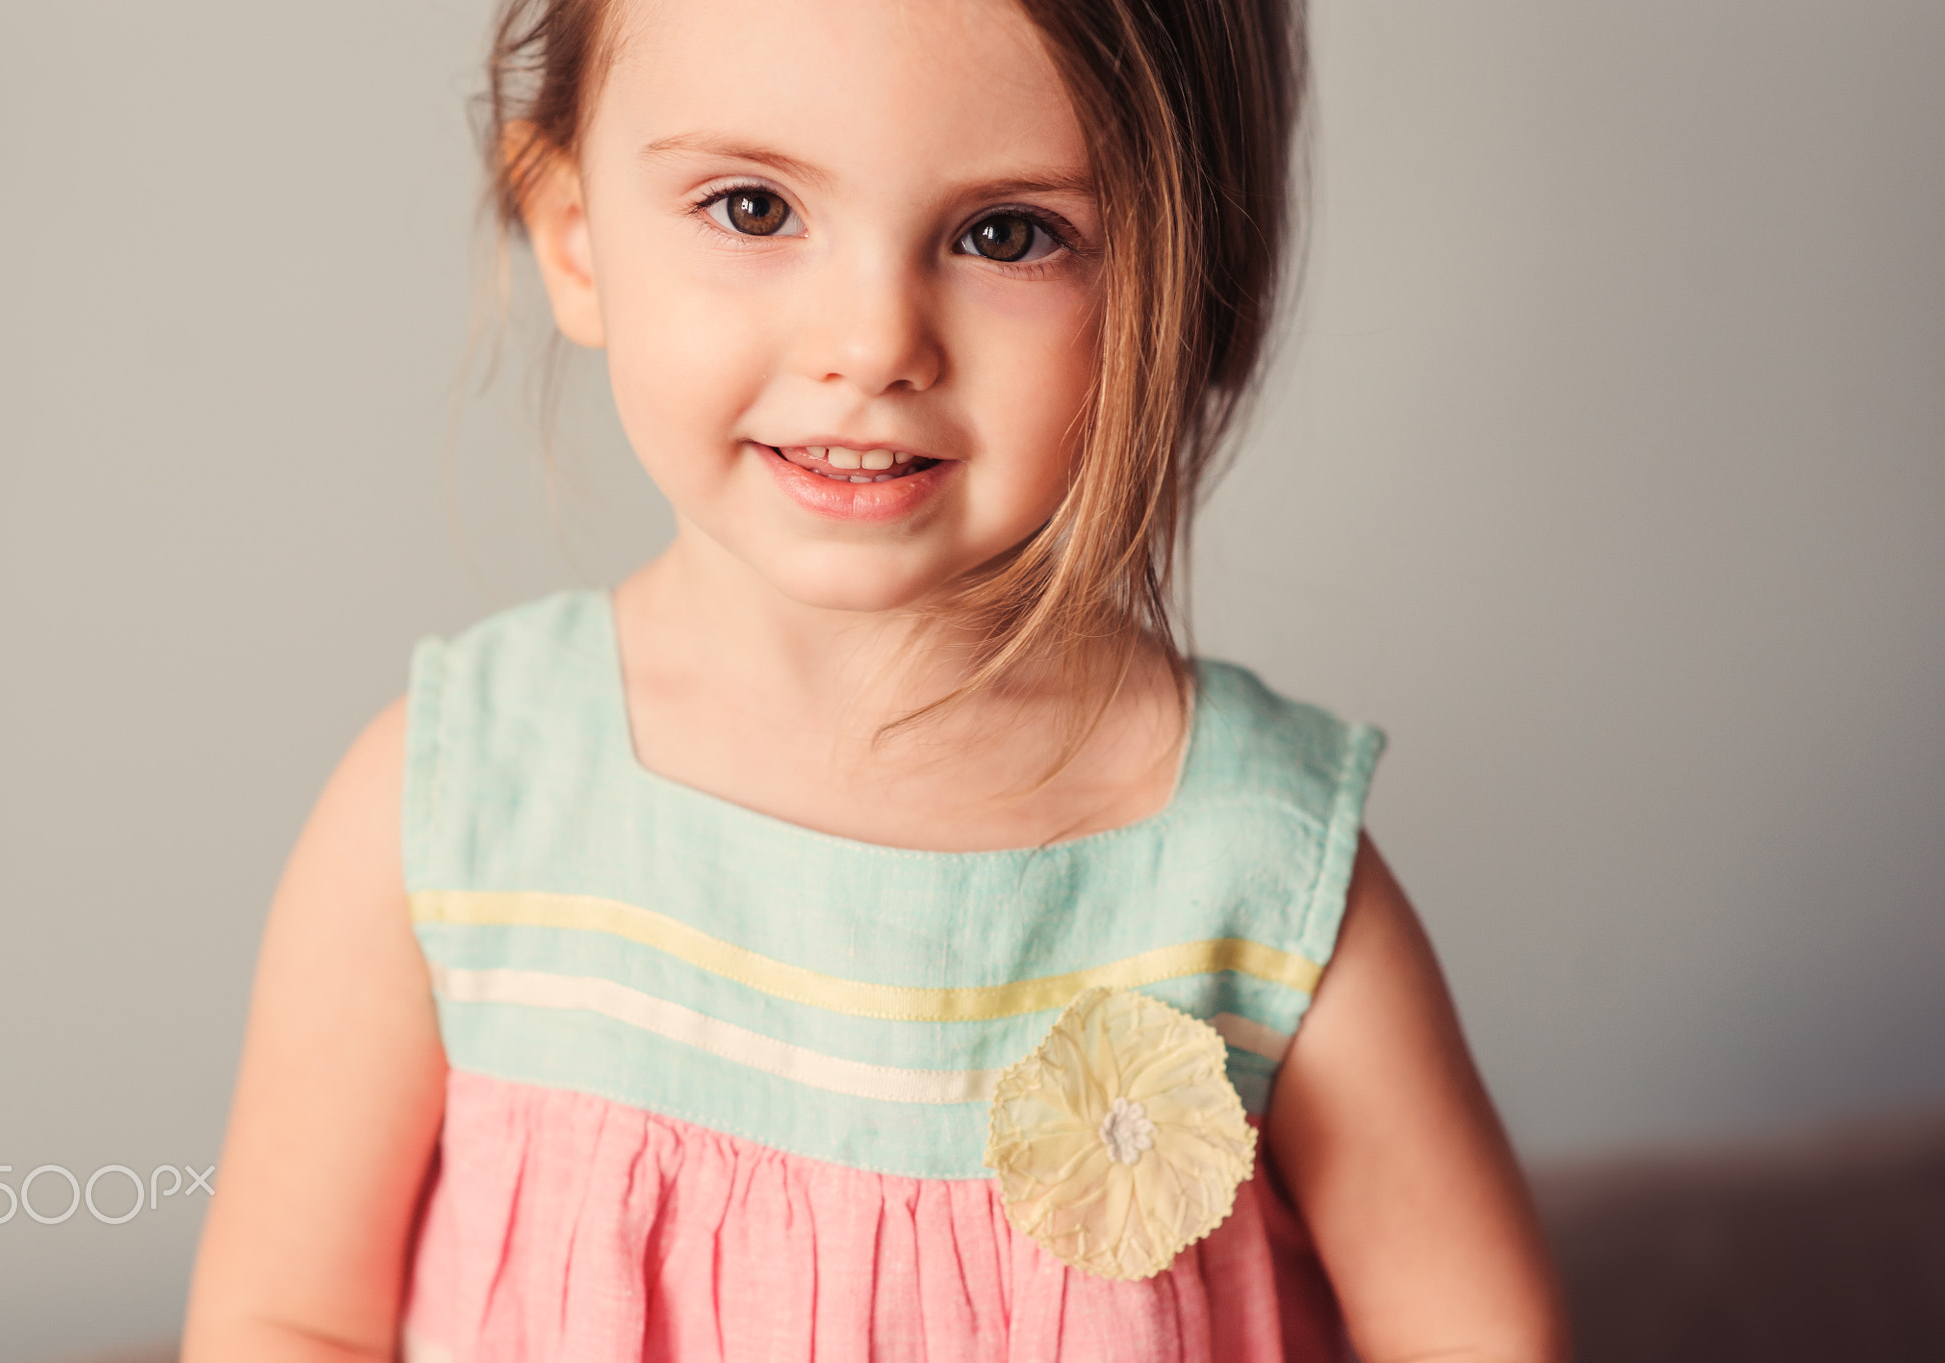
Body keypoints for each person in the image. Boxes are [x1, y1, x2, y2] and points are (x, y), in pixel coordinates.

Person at [181, 0, 1567, 1356]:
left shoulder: (1252, 874)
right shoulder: (460, 812)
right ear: (573, 233)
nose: (872, 344)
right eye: (753, 209)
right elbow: (287, 1319)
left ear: (1185, 279)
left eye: (1006, 234)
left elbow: (1476, 1330)